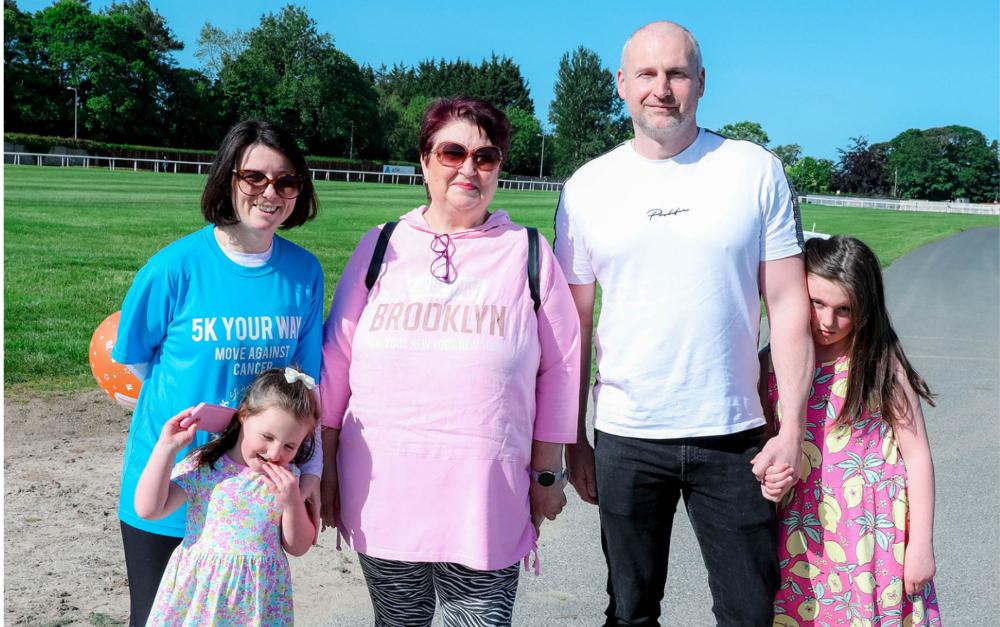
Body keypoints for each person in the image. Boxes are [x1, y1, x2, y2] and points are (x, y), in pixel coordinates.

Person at [553, 21, 814, 626]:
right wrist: (575, 438)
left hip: (736, 435)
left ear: (701, 81)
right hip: (627, 434)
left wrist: (791, 427)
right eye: (647, 73)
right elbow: (574, 327)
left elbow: (789, 302)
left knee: (750, 612)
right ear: (622, 83)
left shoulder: (755, 171)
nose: (661, 88)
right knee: (631, 610)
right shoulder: (587, 187)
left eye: (676, 73)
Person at [319, 97, 580, 626]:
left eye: (485, 157)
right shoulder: (381, 245)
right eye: (452, 152)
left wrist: (548, 475)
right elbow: (336, 363)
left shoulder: (527, 251)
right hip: (383, 489)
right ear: (424, 160)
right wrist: (321, 467)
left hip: (485, 498)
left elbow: (562, 369)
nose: (468, 168)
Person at [112, 120, 325, 626]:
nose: (270, 193)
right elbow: (136, 358)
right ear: (227, 178)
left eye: (286, 181)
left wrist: (310, 471)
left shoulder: (304, 271)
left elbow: (308, 380)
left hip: (251, 488)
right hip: (174, 478)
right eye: (254, 177)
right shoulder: (173, 267)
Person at [761, 236, 941, 625]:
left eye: (845, 309)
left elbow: (918, 456)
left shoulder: (878, 364)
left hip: (872, 537)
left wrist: (921, 545)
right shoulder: (773, 363)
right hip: (800, 531)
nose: (828, 321)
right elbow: (764, 441)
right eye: (817, 303)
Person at [135, 367, 320, 625]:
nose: (276, 452)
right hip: (201, 596)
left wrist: (292, 504)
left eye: (290, 445)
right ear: (244, 414)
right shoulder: (206, 465)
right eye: (267, 437)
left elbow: (298, 547)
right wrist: (166, 448)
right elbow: (149, 509)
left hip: (257, 602)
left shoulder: (288, 480)